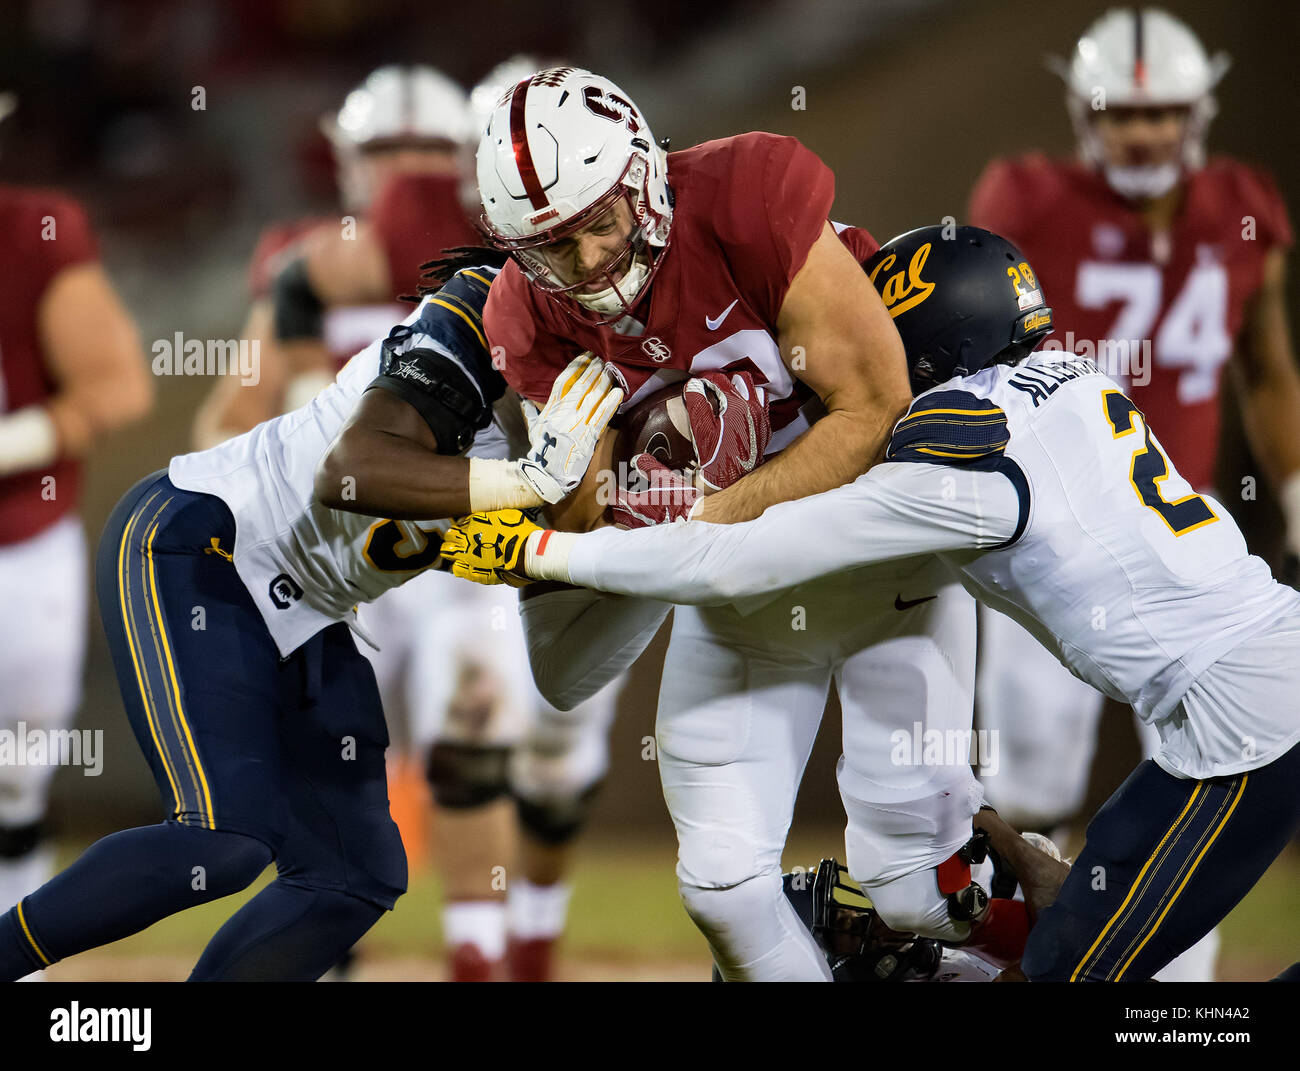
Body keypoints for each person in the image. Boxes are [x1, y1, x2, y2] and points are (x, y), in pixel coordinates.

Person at [443, 224, 1300, 981]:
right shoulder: (1070, 376)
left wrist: (541, 549)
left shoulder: (953, 461)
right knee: (1070, 913)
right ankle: (1019, 878)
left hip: (1238, 727)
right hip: (1255, 678)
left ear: (921, 344)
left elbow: (732, 564)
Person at [474, 66, 1007, 980]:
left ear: (643, 177)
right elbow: (585, 543)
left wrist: (708, 519)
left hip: (879, 560)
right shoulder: (528, 316)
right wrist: (562, 485)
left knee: (919, 884)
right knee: (722, 888)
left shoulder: (747, 195)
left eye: (600, 223)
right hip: (741, 600)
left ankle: (1089, 949)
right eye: (556, 249)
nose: (591, 264)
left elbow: (877, 406)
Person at [0, 262, 622, 981]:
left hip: (309, 605)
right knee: (222, 839)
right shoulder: (474, 317)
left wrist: (579, 534)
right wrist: (527, 483)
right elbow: (351, 466)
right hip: (202, 540)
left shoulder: (570, 434)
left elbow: (534, 558)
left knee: (354, 870)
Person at [0, 153, 153, 977]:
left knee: (13, 773)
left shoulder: (31, 233)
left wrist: (15, 441)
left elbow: (117, 384)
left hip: (17, 541)